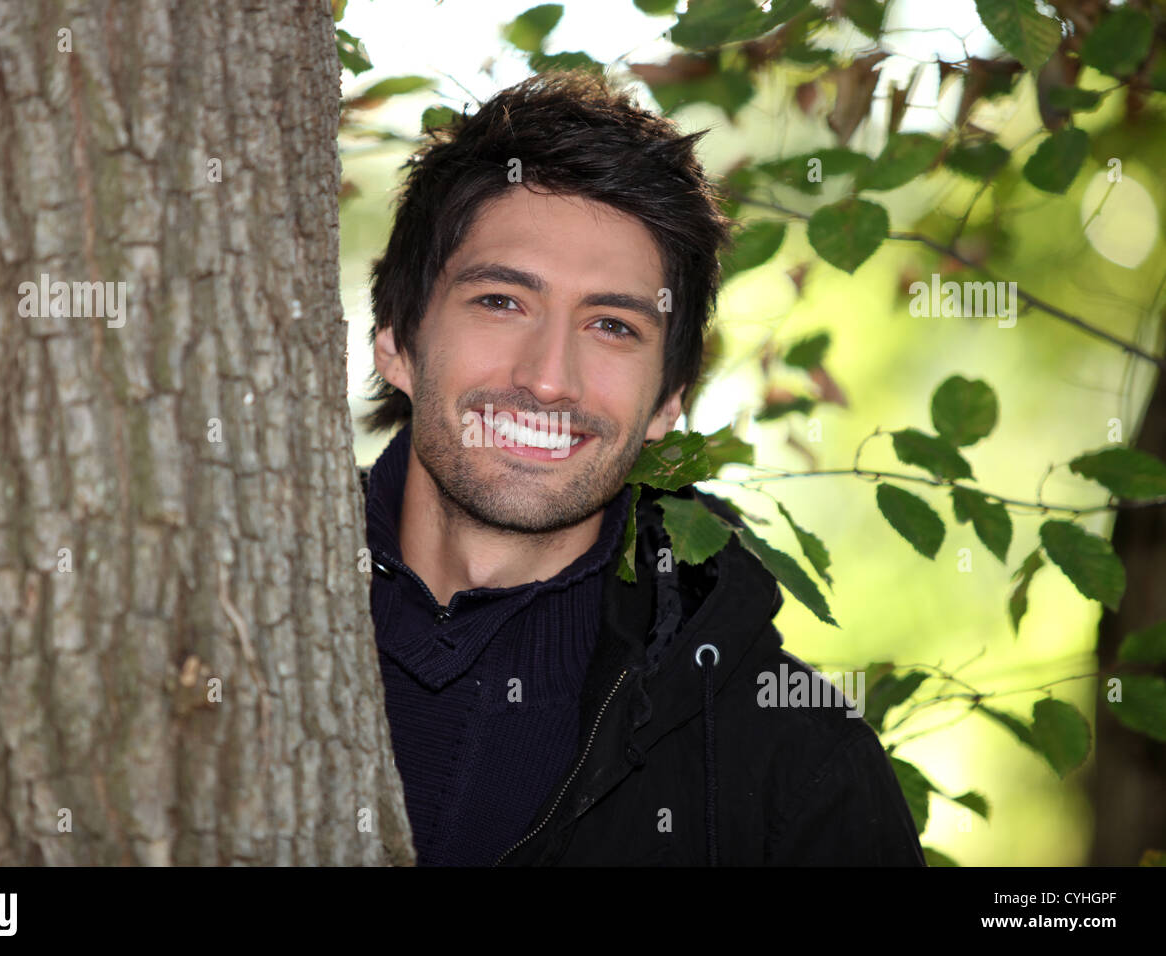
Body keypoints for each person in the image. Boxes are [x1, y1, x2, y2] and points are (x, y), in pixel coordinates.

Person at [356, 71, 925, 866]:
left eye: (613, 325)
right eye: (501, 302)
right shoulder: (222, 629)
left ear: (667, 403)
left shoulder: (800, 770)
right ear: (396, 341)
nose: (548, 379)